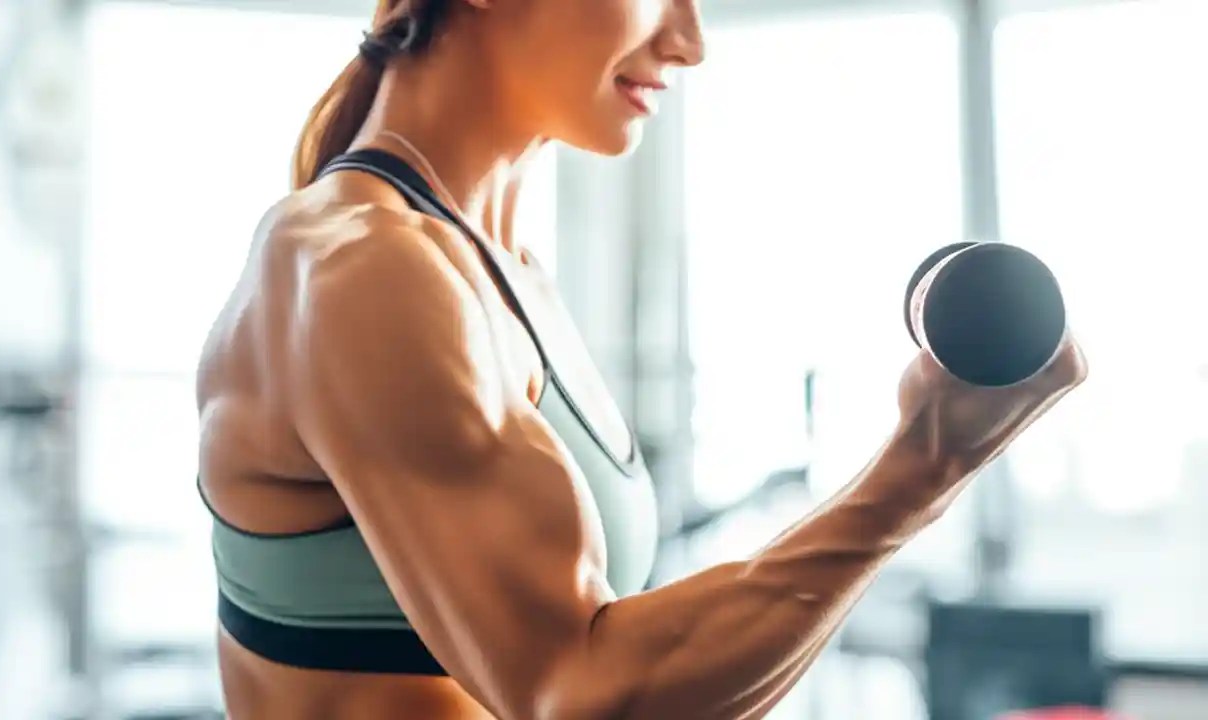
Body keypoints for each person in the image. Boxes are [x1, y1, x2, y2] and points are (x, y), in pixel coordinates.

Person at [194, 0, 1088, 716]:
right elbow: (578, 692)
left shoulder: (502, 271)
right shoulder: (361, 264)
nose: (690, 40)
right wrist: (923, 470)